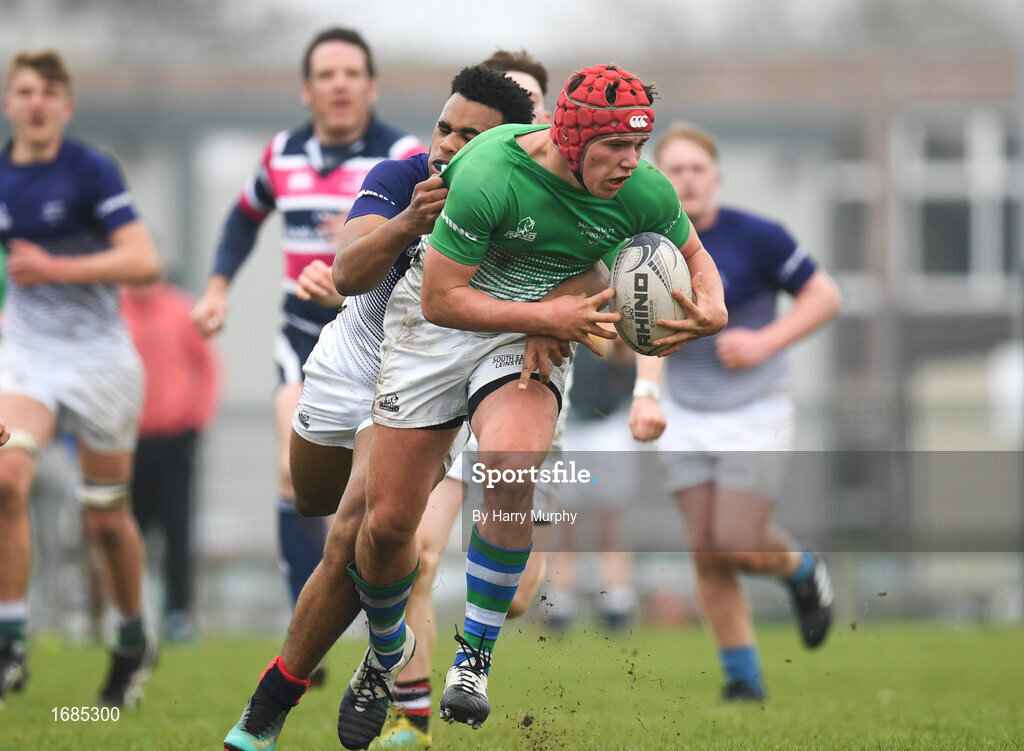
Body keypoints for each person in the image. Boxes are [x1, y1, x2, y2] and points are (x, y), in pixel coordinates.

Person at [334, 63, 727, 750]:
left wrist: (712, 305)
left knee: (513, 462)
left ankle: (473, 659)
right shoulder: (490, 172)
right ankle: (386, 651)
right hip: (437, 332)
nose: (629, 163)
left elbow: (693, 255)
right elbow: (439, 299)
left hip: (530, 338)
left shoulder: (642, 188)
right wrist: (546, 310)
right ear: (571, 137)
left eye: (638, 147)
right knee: (390, 525)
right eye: (614, 148)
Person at [222, 65, 536, 751]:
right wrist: (406, 223)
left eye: (468, 135)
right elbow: (347, 271)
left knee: (355, 536)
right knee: (313, 502)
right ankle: (386, 645)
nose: (447, 144)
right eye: (444, 127)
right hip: (349, 365)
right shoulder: (402, 177)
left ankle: (268, 710)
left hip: (418, 381)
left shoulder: (525, 206)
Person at [189, 27, 425, 644]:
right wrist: (217, 287)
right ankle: (307, 628)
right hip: (302, 335)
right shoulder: (281, 155)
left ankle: (383, 621)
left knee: (378, 507)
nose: (339, 84)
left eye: (352, 73)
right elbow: (243, 219)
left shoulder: (402, 156)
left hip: (382, 342)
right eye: (326, 74)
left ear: (371, 86)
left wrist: (361, 262)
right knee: (294, 481)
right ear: (307, 89)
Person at [380, 49, 557, 749]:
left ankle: (474, 645)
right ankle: (411, 711)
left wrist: (559, 318)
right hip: (435, 381)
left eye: (528, 103)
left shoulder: (568, 189)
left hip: (515, 387)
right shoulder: (420, 178)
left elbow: (607, 296)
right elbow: (370, 272)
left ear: (541, 118)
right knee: (416, 549)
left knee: (514, 596)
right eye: (451, 128)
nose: (459, 143)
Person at [630, 122, 841, 701]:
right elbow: (645, 336)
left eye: (698, 169)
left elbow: (826, 296)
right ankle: (743, 680)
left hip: (756, 409)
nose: (688, 179)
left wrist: (763, 342)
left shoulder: (759, 236)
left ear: (716, 178)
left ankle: (802, 570)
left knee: (737, 542)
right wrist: (646, 396)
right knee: (706, 549)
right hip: (687, 413)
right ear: (657, 178)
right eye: (676, 169)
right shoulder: (647, 243)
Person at [0, 50, 161, 708]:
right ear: (10, 104)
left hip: (99, 358)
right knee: (6, 478)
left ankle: (131, 636)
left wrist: (54, 268)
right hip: (26, 351)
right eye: (25, 91)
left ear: (66, 108)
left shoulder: (89, 168)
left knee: (104, 520)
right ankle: (11, 639)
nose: (36, 103)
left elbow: (144, 262)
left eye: (50, 94)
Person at [121, 279, 221, 642]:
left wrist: (197, 419)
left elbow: (206, 366)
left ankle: (178, 613)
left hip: (176, 438)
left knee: (178, 529)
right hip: (129, 439)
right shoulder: (116, 311)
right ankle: (129, 613)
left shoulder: (181, 310)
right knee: (128, 530)